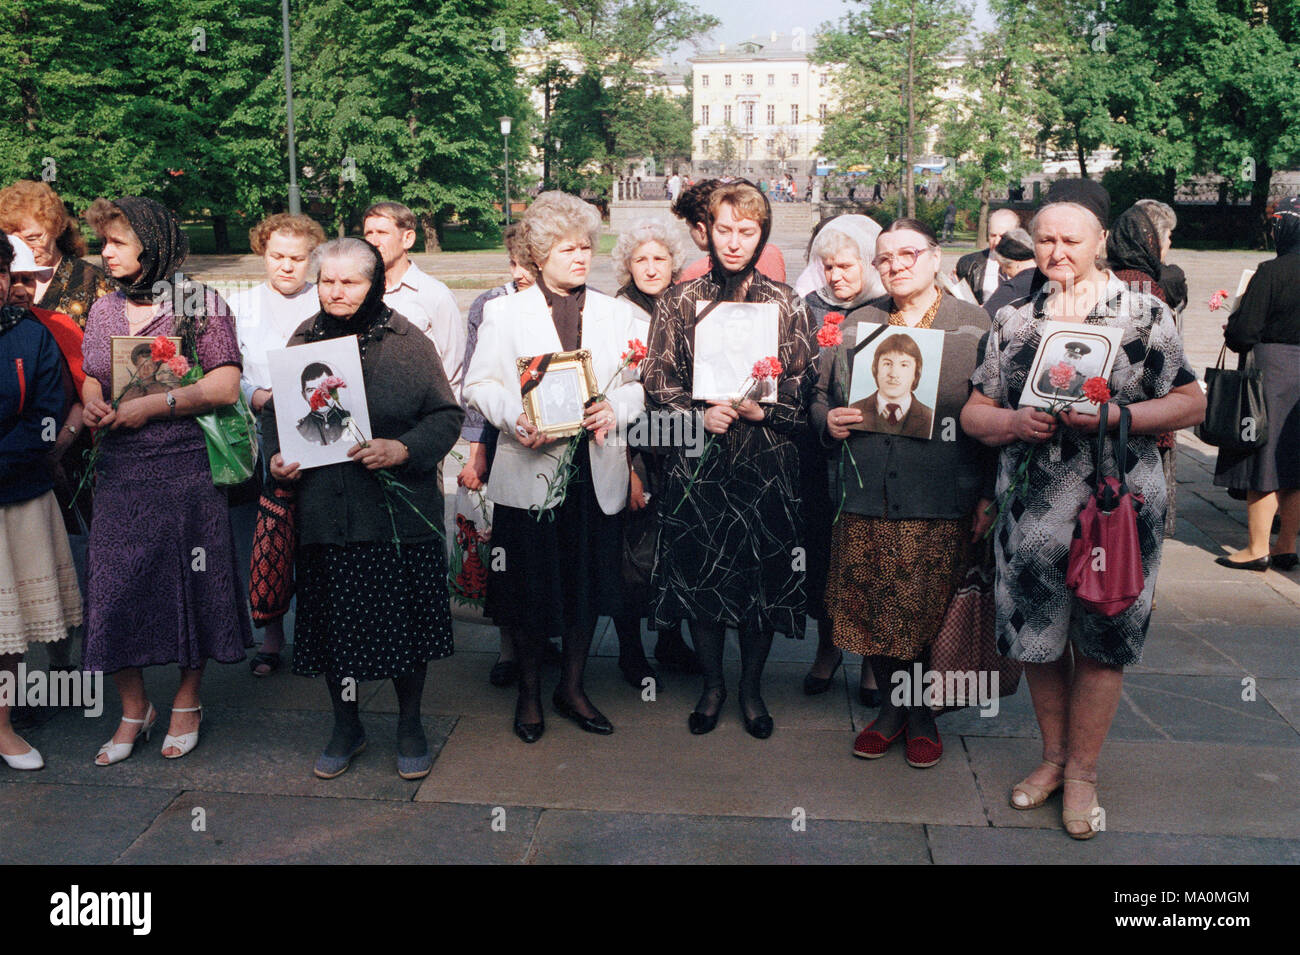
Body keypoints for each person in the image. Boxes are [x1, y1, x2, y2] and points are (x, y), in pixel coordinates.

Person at [960, 180, 1205, 838]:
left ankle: (1084, 772)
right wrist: (1012, 423)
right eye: (1045, 239)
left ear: (1101, 241)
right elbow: (973, 411)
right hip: (1032, 508)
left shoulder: (1145, 314)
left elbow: (1191, 402)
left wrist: (1114, 416)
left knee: (1103, 638)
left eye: (1072, 239)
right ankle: (1051, 758)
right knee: (1038, 639)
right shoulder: (1014, 317)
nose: (1057, 250)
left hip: (1116, 508)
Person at [263, 238, 462, 779]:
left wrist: (404, 449)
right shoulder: (304, 337)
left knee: (404, 625)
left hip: (394, 515)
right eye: (327, 280)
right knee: (334, 628)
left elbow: (446, 416)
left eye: (349, 282)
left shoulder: (408, 340)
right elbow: (278, 416)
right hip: (327, 512)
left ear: (374, 283)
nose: (335, 291)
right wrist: (277, 457)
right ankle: (345, 724)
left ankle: (410, 722)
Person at [810, 218, 994, 768]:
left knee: (923, 610)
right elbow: (819, 395)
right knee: (870, 605)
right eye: (885, 258)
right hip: (864, 491)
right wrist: (829, 421)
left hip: (938, 493)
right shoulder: (857, 323)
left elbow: (991, 411)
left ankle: (921, 715)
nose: (896, 266)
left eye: (908, 254)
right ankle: (893, 709)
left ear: (935, 258)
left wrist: (986, 493)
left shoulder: (974, 325)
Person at [464, 191, 645, 743]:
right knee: (529, 588)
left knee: (587, 585)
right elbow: (478, 386)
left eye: (586, 246)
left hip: (596, 474)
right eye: (567, 248)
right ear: (539, 255)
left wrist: (619, 408)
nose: (580, 257)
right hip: (530, 469)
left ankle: (573, 684)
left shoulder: (619, 314)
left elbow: (641, 389)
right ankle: (529, 693)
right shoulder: (504, 312)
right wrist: (513, 416)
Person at [80, 196, 254, 765]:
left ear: (151, 247)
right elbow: (90, 376)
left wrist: (154, 406)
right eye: (102, 242)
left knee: (191, 583)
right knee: (113, 587)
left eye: (115, 243)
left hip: (185, 468)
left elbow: (226, 386)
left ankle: (186, 700)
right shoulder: (103, 309)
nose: (103, 253)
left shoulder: (199, 303)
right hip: (120, 470)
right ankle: (134, 708)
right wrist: (91, 406)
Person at [642, 179, 812, 739]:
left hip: (766, 465)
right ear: (706, 232)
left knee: (762, 578)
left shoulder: (785, 302)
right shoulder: (679, 300)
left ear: (762, 234)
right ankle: (713, 685)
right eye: (724, 229)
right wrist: (696, 414)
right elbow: (656, 381)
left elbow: (804, 390)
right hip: (700, 462)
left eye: (747, 231)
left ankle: (751, 689)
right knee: (702, 575)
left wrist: (768, 411)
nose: (734, 242)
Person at [0, 232, 83, 771]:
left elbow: (49, 412)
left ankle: (3, 727)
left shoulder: (28, 334)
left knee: (5, 625)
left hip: (17, 492)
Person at [230, 212, 326, 676]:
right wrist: (258, 395)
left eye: (297, 258)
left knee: (316, 531)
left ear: (312, 259)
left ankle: (317, 631)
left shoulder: (327, 300)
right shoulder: (240, 305)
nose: (286, 266)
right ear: (263, 254)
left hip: (320, 428)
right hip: (263, 426)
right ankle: (270, 634)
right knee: (269, 533)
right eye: (277, 256)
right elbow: (233, 369)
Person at [799, 214, 886, 704]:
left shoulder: (887, 307)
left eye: (846, 265)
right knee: (825, 554)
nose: (836, 276)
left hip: (876, 454)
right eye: (828, 266)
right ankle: (827, 649)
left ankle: (873, 661)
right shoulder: (809, 308)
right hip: (821, 451)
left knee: (869, 556)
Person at [609, 219, 699, 688]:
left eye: (659, 258)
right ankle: (630, 651)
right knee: (634, 555)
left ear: (673, 263)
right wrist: (628, 471)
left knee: (676, 544)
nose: (650, 267)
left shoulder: (688, 304)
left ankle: (670, 639)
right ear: (628, 264)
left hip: (681, 440)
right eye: (640, 259)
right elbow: (610, 393)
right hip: (637, 444)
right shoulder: (614, 313)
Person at [457, 224, 544, 688]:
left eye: (532, 263)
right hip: (501, 435)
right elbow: (478, 384)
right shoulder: (490, 305)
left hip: (553, 442)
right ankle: (508, 647)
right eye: (517, 263)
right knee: (503, 548)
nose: (524, 273)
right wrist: (475, 456)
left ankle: (546, 640)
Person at [1211, 195, 1300, 572]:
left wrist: (1232, 327)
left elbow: (1244, 332)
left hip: (1274, 370)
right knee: (1295, 460)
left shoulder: (1271, 271)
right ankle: (1286, 544)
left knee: (1262, 455)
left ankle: (1256, 546)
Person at [363, 201, 465, 392]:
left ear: (407, 239)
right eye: (369, 233)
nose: (373, 241)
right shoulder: (359, 294)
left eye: (382, 233)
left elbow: (453, 371)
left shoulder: (434, 295)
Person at [0, 180, 114, 326]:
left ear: (56, 230)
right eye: (15, 241)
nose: (25, 248)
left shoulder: (93, 280)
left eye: (33, 238)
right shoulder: (3, 278)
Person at [673, 179, 786, 284]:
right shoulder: (772, 253)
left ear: (701, 229)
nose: (734, 245)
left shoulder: (694, 274)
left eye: (690, 227)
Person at [857, 333, 935, 437]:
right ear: (876, 369)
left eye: (904, 365)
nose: (893, 374)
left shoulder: (930, 417)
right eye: (887, 364)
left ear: (916, 372)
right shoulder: (854, 410)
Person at [953, 208, 1020, 305]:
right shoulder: (968, 264)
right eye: (993, 235)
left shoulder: (1030, 264)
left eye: (1003, 236)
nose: (997, 241)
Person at [981, 228, 1038, 319]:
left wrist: (979, 311)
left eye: (1003, 266)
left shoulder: (1012, 288)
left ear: (1014, 263)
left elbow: (985, 319)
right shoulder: (1048, 278)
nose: (1003, 271)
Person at [294, 361, 350, 444]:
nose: (318, 395)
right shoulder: (301, 429)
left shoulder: (350, 419)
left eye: (324, 386)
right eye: (311, 390)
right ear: (304, 396)